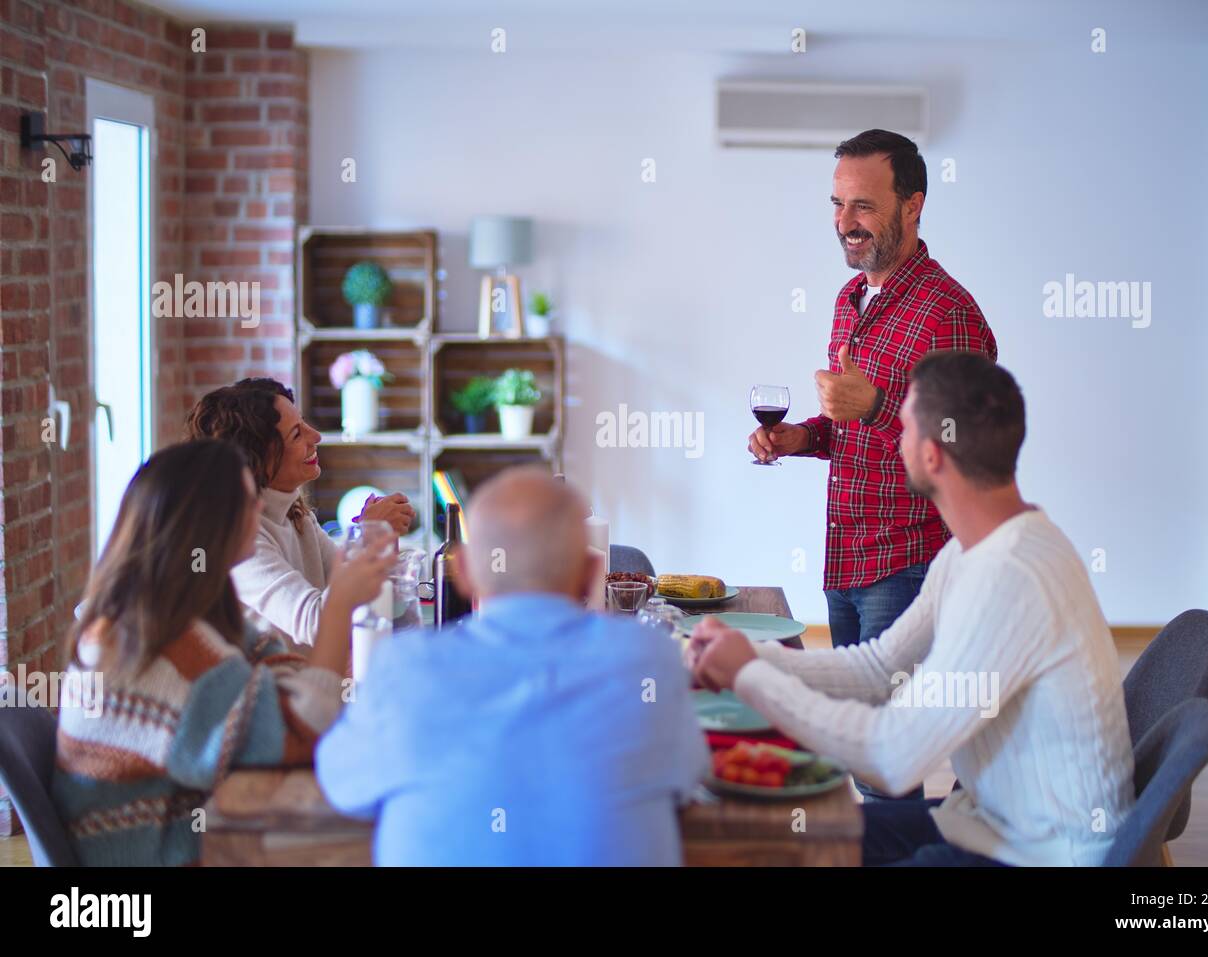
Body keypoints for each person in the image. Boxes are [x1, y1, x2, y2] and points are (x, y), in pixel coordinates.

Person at [703, 352, 1134, 866]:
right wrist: (748, 656)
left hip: (1038, 855)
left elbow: (893, 757)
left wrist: (749, 676)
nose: (892, 441)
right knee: (797, 838)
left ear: (932, 455)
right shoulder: (975, 548)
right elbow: (880, 667)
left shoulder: (1011, 575)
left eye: (902, 428)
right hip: (983, 822)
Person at [317, 467, 709, 865]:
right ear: (592, 574)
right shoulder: (650, 659)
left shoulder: (401, 669)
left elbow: (339, 783)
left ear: (465, 573)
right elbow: (688, 775)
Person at [52, 440, 394, 866]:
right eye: (251, 502)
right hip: (153, 868)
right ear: (210, 520)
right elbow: (300, 729)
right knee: (386, 830)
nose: (261, 513)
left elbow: (277, 669)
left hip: (201, 833)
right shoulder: (145, 641)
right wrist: (340, 604)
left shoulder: (186, 610)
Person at [748, 130, 998, 656]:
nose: (843, 223)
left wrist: (879, 408)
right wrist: (802, 437)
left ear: (913, 206)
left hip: (909, 569)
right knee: (853, 726)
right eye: (838, 204)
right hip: (844, 559)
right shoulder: (851, 299)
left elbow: (966, 452)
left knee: (891, 729)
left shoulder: (948, 314)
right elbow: (850, 425)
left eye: (862, 206)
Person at [184, 377, 415, 646]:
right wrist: (366, 539)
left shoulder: (296, 514)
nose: (315, 436)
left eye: (304, 422)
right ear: (258, 458)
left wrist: (376, 540)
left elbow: (354, 596)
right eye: (296, 433)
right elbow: (317, 623)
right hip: (278, 686)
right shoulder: (239, 539)